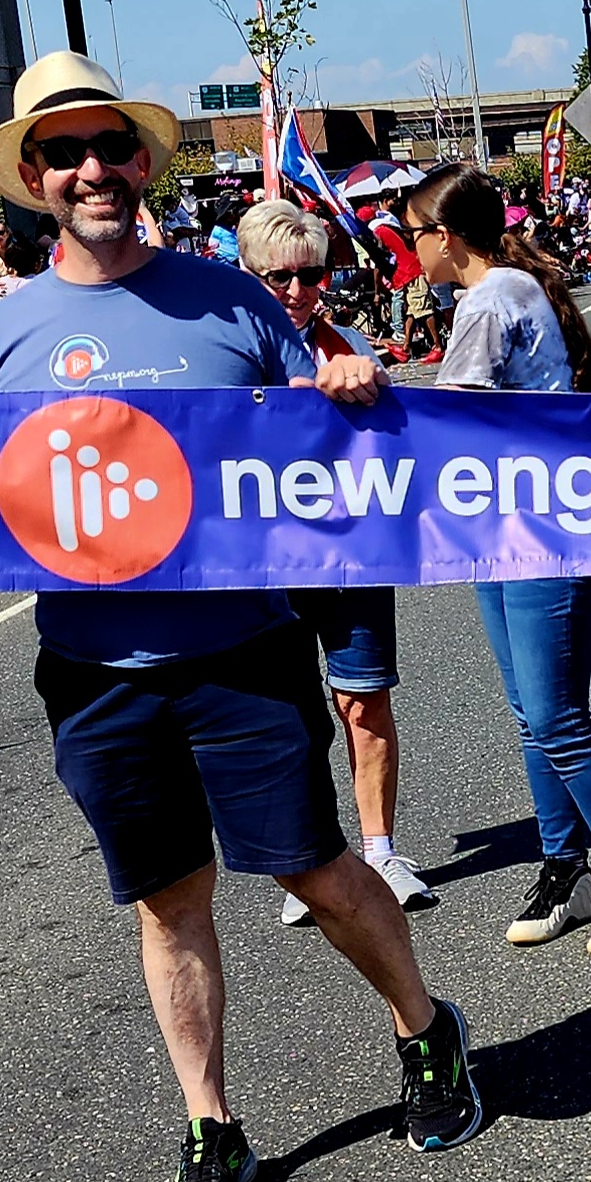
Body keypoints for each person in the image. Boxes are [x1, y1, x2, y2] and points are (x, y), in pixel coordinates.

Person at [0, 51, 483, 1182]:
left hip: (241, 654)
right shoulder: (8, 330)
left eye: (110, 147)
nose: (92, 170)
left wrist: (345, 373)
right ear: (35, 179)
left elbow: (322, 419)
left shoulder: (232, 300)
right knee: (167, 903)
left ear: (140, 162)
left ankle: (426, 1033)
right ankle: (212, 1124)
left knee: (313, 873)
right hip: (94, 672)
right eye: (63, 154)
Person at [399, 161, 591, 959]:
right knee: (532, 714)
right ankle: (565, 864)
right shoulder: (508, 287)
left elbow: (449, 417)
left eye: (414, 233)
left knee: (554, 715)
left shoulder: (488, 299)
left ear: (444, 236)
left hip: (540, 532)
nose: (408, 249)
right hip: (507, 530)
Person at [235, 197, 439, 924]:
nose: (295, 290)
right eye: (277, 277)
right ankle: (315, 857)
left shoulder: (346, 342)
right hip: (262, 567)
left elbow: (393, 438)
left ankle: (380, 850)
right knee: (289, 715)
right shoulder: (225, 349)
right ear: (247, 274)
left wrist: (369, 382)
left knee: (362, 701)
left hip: (350, 557)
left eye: (310, 275)